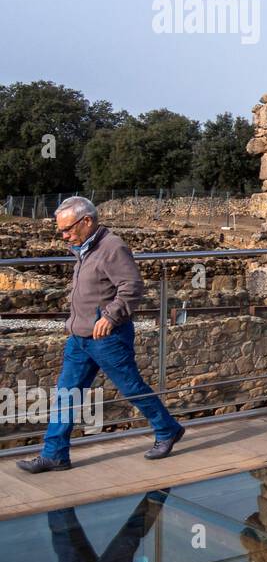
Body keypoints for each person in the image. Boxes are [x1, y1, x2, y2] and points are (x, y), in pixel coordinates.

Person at [16, 196, 185, 473]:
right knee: (66, 394)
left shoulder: (112, 247)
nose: (64, 235)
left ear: (87, 221)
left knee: (131, 387)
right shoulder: (82, 247)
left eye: (67, 229)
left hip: (107, 337)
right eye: (60, 230)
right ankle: (55, 454)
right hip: (79, 337)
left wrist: (110, 315)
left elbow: (131, 286)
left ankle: (167, 429)